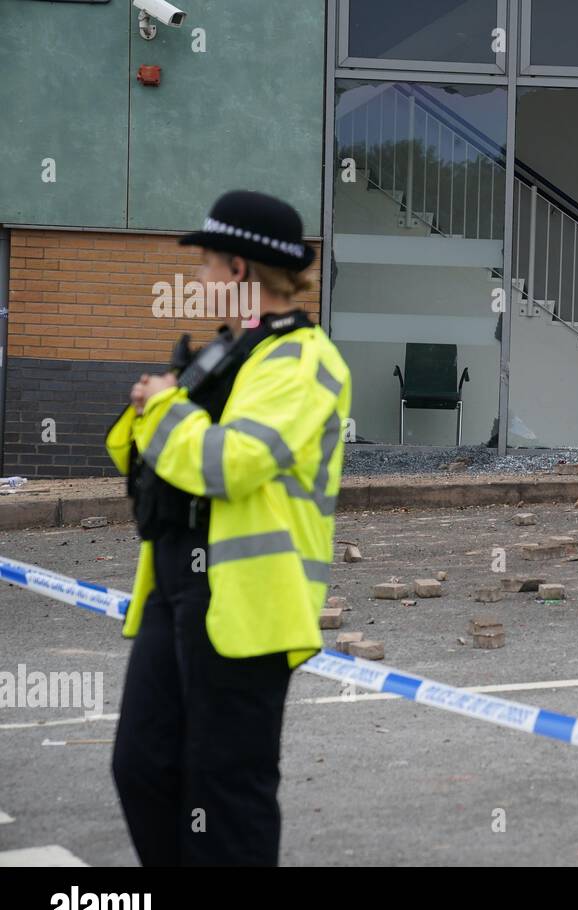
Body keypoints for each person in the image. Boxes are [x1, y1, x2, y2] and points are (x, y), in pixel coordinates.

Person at [105, 190, 352, 865]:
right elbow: (137, 457)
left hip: (249, 603)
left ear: (241, 271)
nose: (199, 279)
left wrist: (163, 415)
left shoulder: (303, 362)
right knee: (143, 767)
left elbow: (229, 465)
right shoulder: (227, 353)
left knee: (225, 791)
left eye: (209, 264)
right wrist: (146, 411)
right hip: (175, 588)